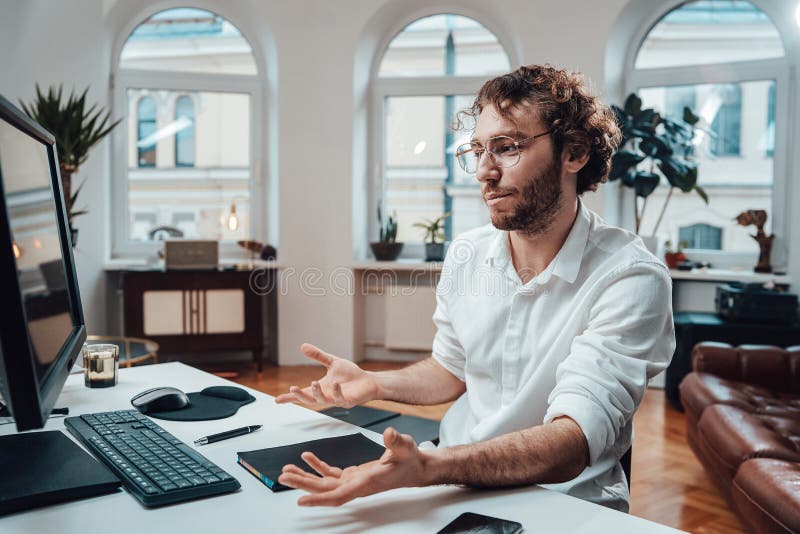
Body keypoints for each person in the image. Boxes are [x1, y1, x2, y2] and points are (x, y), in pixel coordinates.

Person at [275, 64, 675, 512]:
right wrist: (373, 382)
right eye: (477, 151)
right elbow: (452, 369)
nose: (485, 171)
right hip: (455, 483)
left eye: (506, 148)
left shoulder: (630, 277)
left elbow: (573, 440)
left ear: (575, 153)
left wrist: (431, 468)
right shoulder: (466, 253)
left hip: (565, 502)